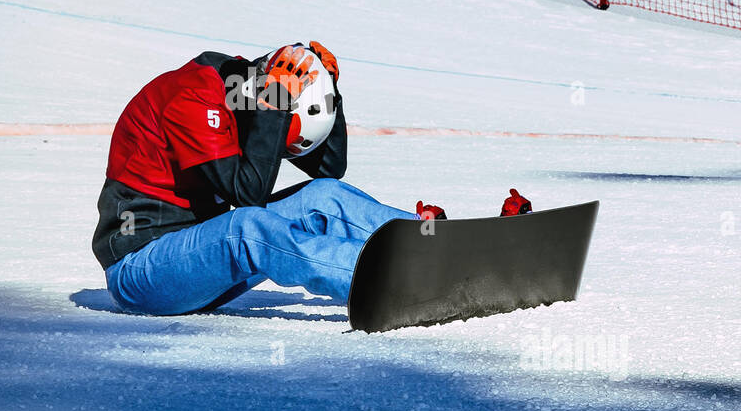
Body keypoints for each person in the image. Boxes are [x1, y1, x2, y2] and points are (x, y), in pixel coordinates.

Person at [92, 42, 527, 315]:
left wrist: (331, 93)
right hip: (142, 269)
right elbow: (247, 198)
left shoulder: (247, 88)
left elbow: (328, 171)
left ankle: (444, 247)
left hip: (198, 251)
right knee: (249, 227)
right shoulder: (194, 97)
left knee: (324, 196)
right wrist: (275, 108)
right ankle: (399, 281)